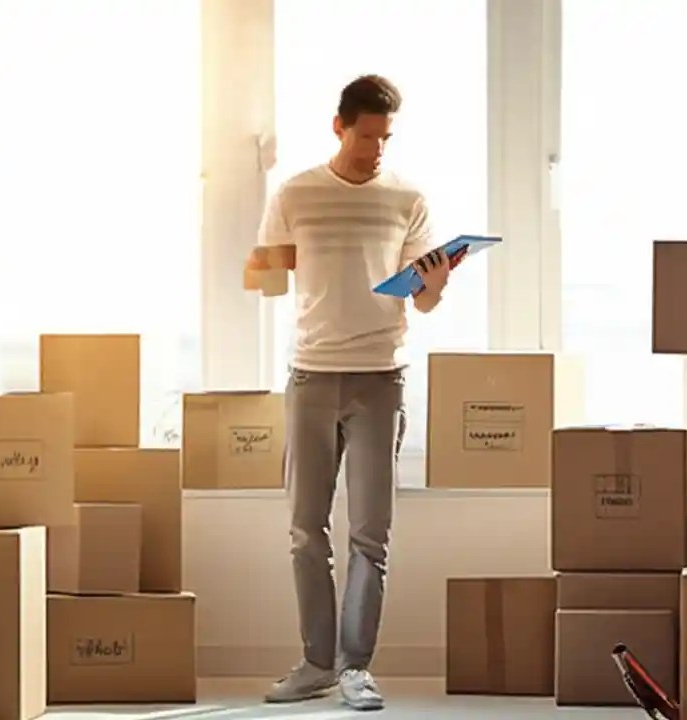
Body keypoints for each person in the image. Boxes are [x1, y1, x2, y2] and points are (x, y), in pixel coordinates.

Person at [248, 74, 461, 711]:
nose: (375, 149)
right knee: (305, 529)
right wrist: (258, 266)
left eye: (385, 138)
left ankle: (354, 669)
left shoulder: (407, 198)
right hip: (311, 374)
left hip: (380, 377)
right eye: (367, 136)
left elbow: (423, 302)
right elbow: (268, 280)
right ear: (339, 127)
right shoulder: (296, 192)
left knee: (372, 534)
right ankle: (316, 663)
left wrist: (437, 281)